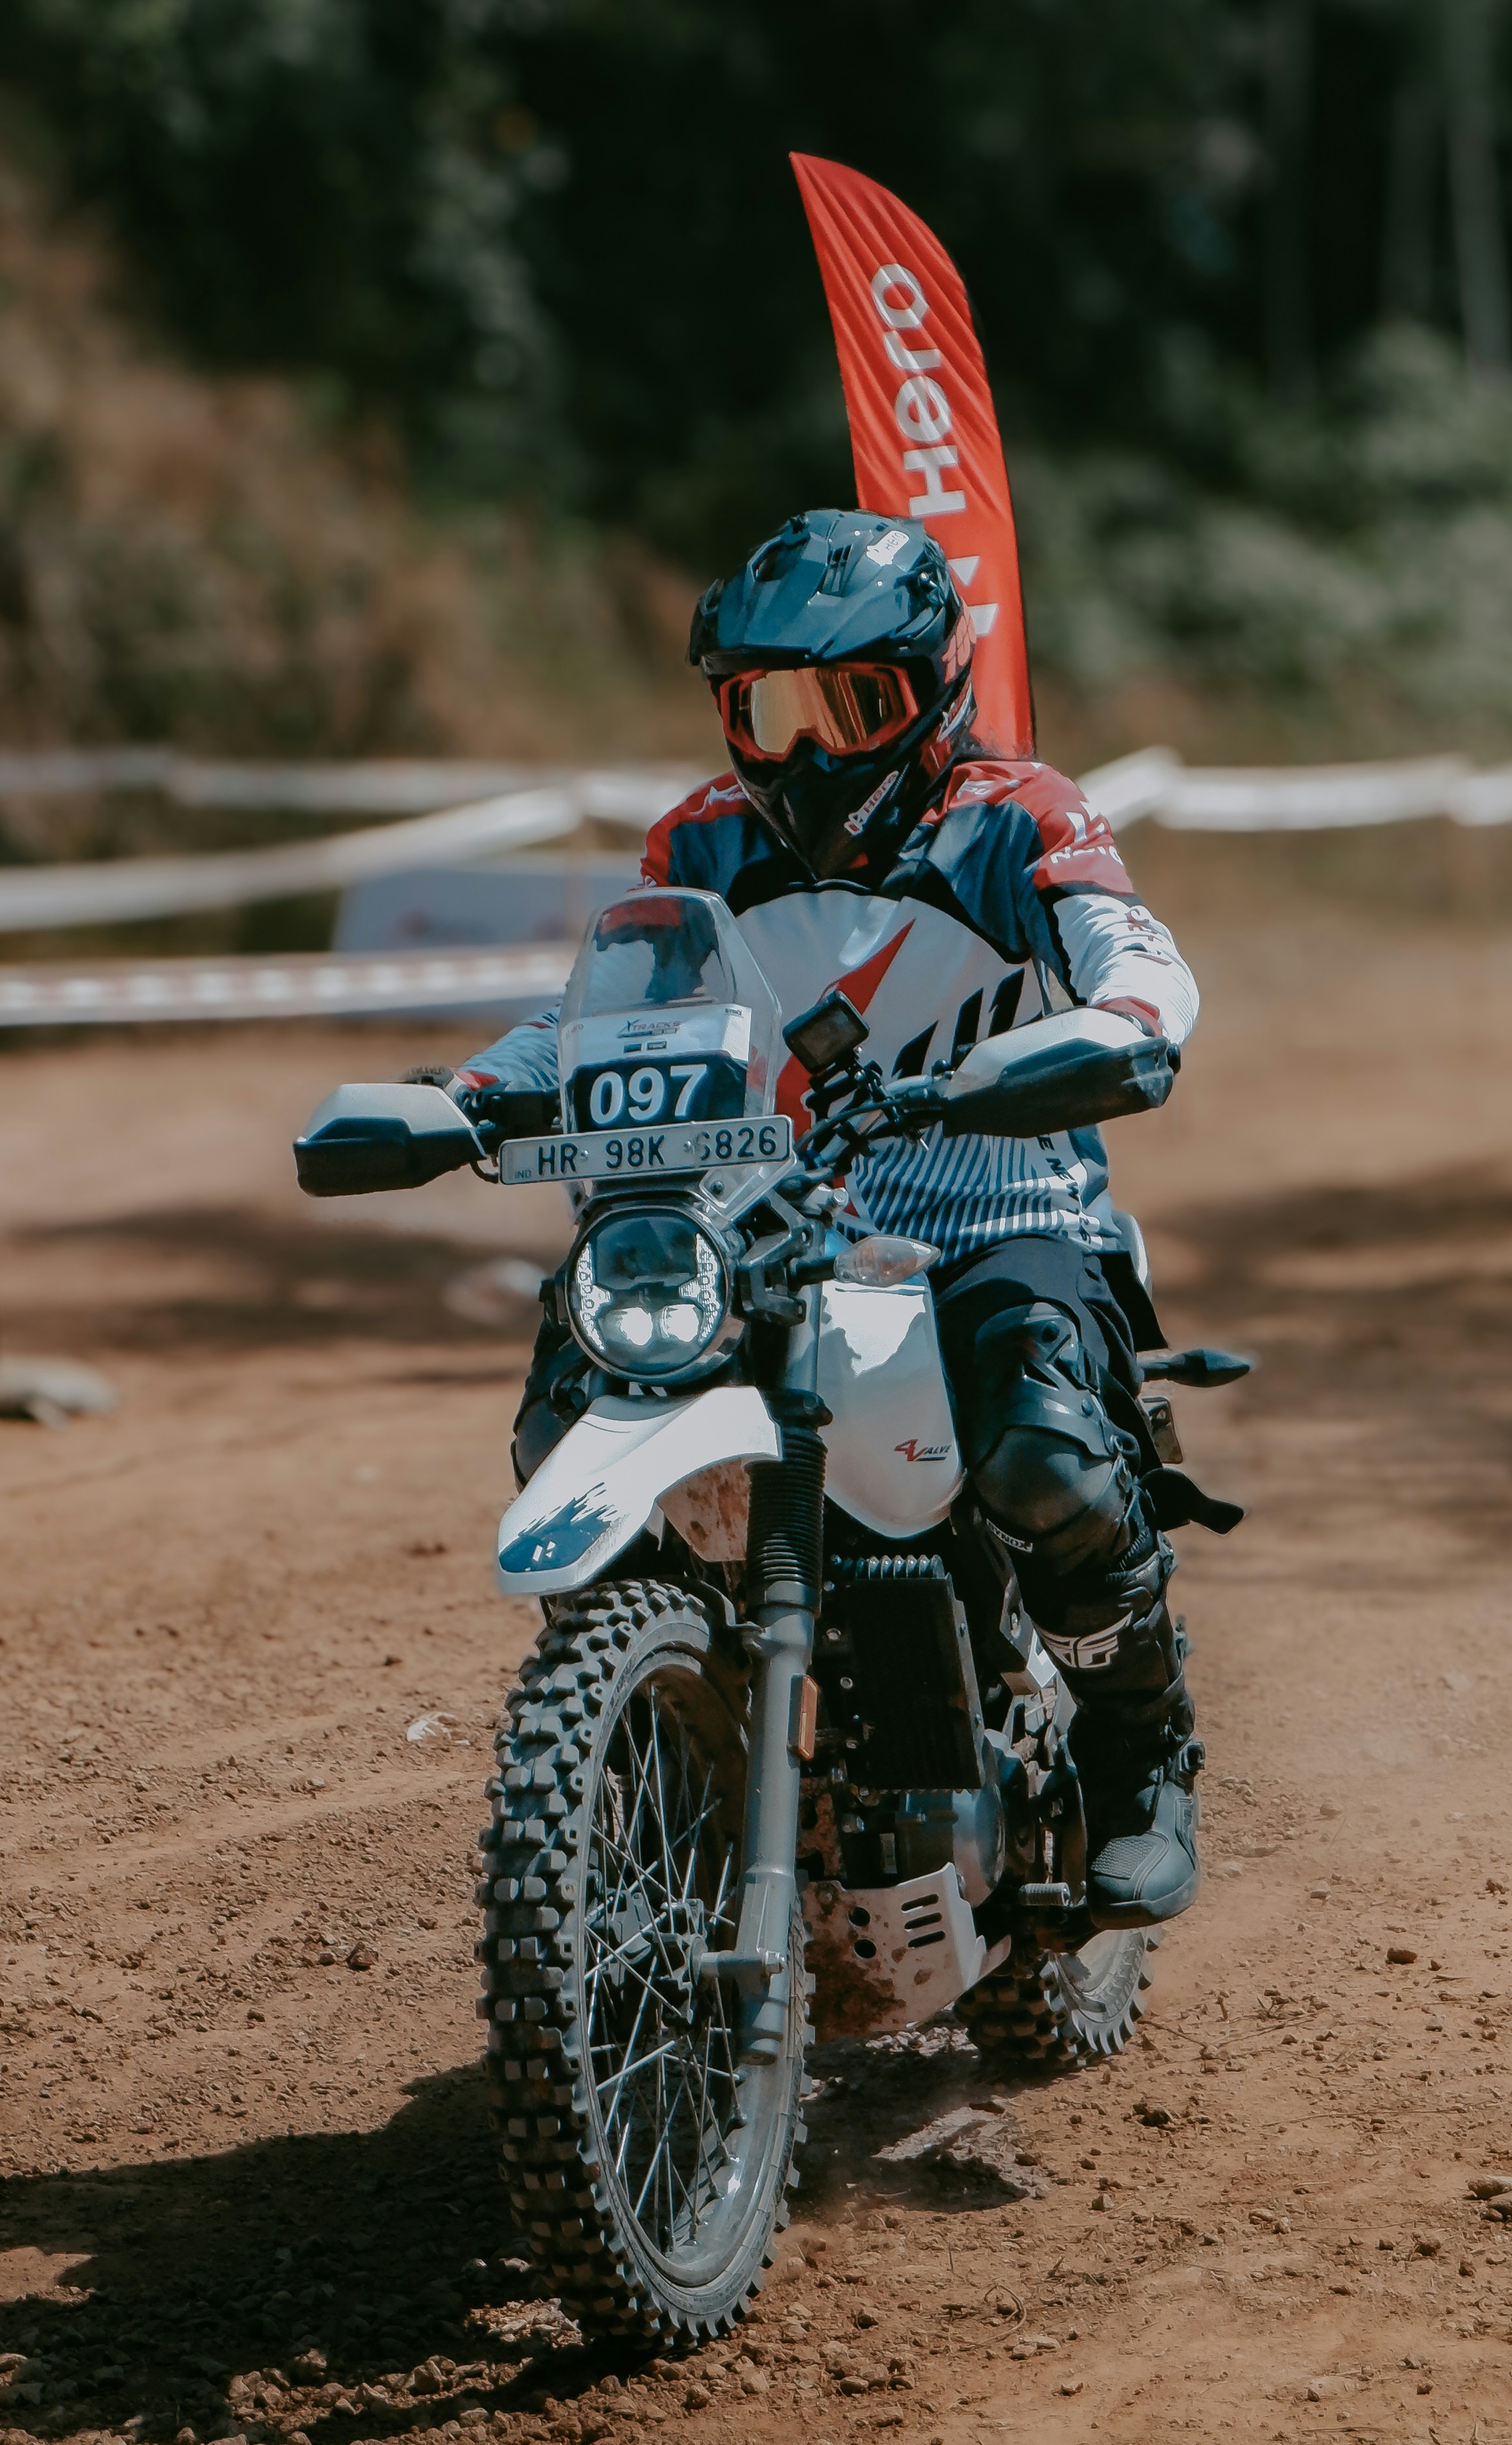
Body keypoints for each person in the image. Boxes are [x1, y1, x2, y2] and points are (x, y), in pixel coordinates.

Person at [435, 505, 1206, 1927]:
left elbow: (1135, 967)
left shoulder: (1017, 818)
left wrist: (1106, 1033)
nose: (804, 748)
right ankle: (657, 1727)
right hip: (755, 1219)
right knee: (567, 1416)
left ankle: (1135, 1746)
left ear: (929, 696)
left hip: (992, 1209)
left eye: (850, 704)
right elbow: (588, 1016)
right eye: (765, 707)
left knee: (1041, 1455)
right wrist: (465, 1095)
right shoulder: (702, 840)